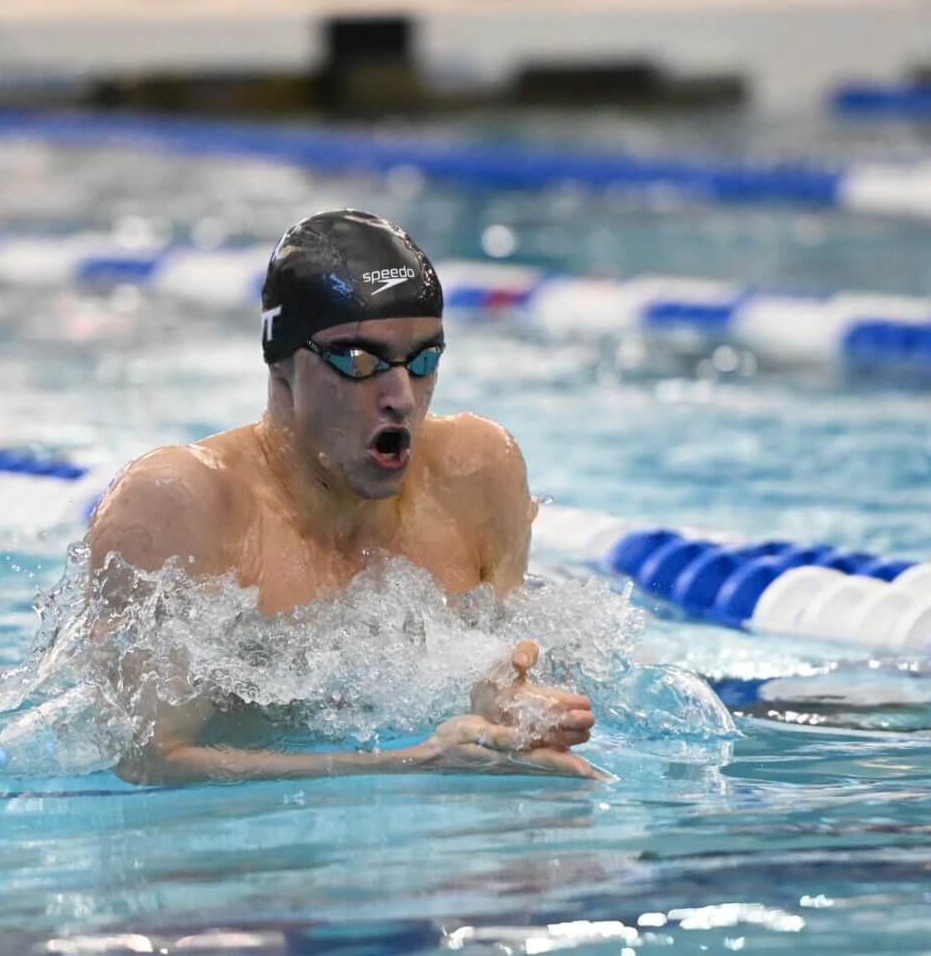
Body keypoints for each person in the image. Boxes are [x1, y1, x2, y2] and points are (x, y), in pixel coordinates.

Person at [85, 208, 601, 786]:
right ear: (283, 363)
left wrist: (507, 699)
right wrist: (408, 765)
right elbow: (149, 761)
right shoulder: (182, 505)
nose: (401, 397)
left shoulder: (477, 472)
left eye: (425, 359)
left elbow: (500, 656)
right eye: (360, 361)